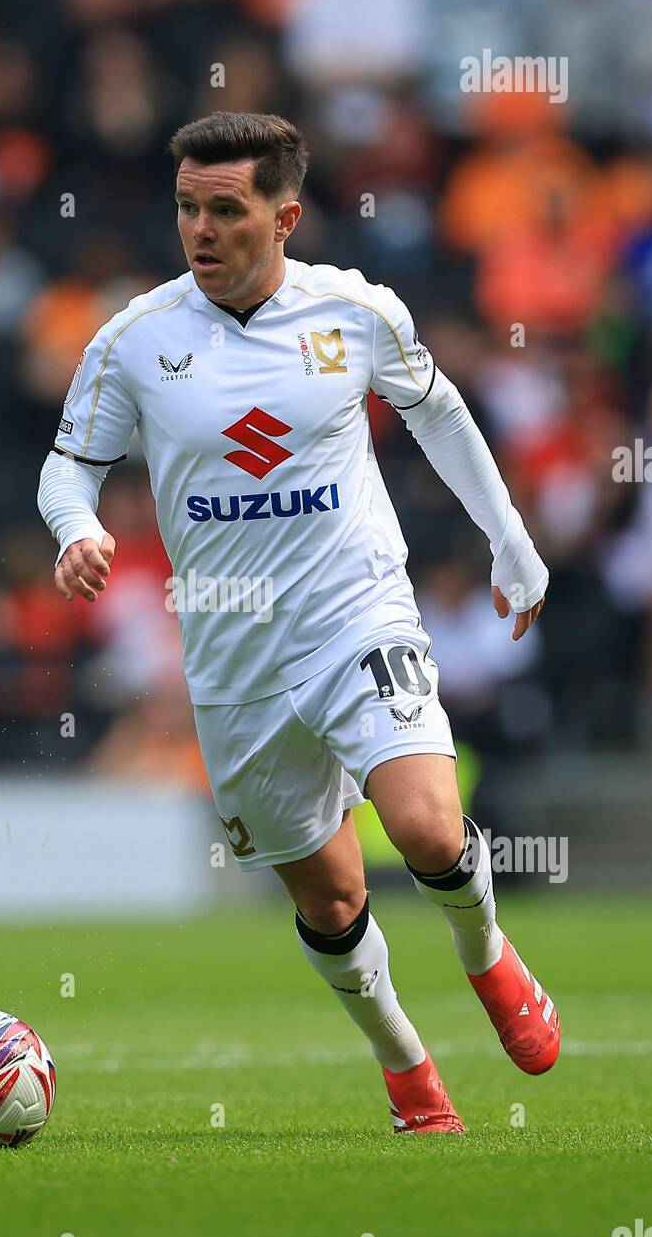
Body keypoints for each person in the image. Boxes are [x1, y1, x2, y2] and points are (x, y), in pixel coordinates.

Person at [37, 111, 559, 1134]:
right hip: (232, 655)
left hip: (352, 611)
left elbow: (437, 411)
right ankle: (405, 1065)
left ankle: (487, 958)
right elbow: (70, 464)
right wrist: (75, 525)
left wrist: (506, 538)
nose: (199, 228)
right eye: (186, 206)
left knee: (423, 826)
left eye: (223, 209)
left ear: (283, 216)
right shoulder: (134, 338)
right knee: (325, 900)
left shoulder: (352, 314)